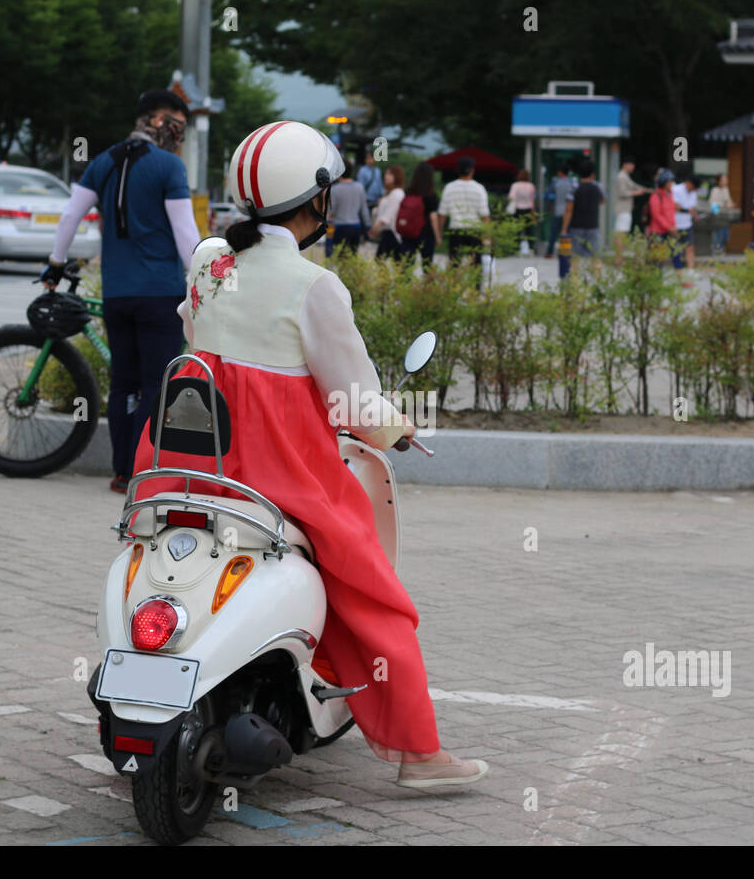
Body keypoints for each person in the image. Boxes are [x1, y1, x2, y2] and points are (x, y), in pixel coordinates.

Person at [131, 120, 489, 788]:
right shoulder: (313, 285)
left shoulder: (209, 260)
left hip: (185, 462)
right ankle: (419, 754)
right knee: (377, 599)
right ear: (318, 199)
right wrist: (395, 431)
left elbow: (195, 329)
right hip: (279, 473)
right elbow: (353, 400)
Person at [45, 88, 199, 493]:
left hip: (117, 293)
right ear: (159, 121)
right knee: (156, 383)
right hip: (161, 293)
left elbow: (69, 217)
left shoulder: (102, 162)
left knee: (123, 383)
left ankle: (122, 471)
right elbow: (185, 232)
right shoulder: (169, 167)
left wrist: (55, 265)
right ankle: (144, 474)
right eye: (177, 125)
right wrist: (203, 273)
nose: (178, 135)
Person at [435, 155, 491, 267]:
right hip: (474, 230)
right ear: (472, 170)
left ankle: (455, 283)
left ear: (457, 170)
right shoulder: (479, 188)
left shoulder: (449, 187)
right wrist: (488, 236)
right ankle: (475, 284)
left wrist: (439, 232)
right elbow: (484, 215)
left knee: (454, 263)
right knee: (476, 263)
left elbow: (442, 214)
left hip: (455, 230)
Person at [396, 161, 440, 265]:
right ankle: (427, 282)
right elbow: (433, 217)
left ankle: (404, 282)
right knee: (427, 267)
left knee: (406, 266)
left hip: (409, 233)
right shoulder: (431, 195)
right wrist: (438, 236)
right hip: (426, 234)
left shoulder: (408, 192)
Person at [560, 158, 604, 257]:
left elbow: (568, 210)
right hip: (593, 225)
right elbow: (603, 200)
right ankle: (596, 273)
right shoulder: (598, 186)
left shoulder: (574, 187)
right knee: (595, 257)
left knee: (575, 257)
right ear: (593, 174)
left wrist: (564, 229)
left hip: (576, 226)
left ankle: (575, 273)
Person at [324, 162, 369, 257]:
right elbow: (364, 211)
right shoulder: (360, 187)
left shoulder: (334, 189)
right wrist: (368, 227)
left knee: (337, 257)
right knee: (351, 258)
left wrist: (328, 237)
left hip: (339, 228)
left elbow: (330, 214)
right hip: (356, 228)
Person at [369, 165, 406, 260]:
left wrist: (376, 226)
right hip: (387, 232)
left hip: (392, 233)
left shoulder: (397, 193)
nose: (386, 176)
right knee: (392, 263)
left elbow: (389, 214)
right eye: (386, 173)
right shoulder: (388, 193)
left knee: (380, 261)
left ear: (397, 177)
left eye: (390, 174)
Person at [613, 158, 651, 252]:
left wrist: (646, 190)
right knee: (621, 234)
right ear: (625, 164)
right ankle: (619, 258)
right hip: (623, 209)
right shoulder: (621, 176)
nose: (632, 167)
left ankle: (619, 257)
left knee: (622, 233)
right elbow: (622, 193)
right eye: (631, 164)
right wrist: (637, 192)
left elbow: (634, 185)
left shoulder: (625, 176)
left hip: (625, 209)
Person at [544, 163, 575, 258]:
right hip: (569, 212)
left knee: (553, 233)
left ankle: (549, 253)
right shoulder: (572, 183)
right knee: (568, 233)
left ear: (560, 173)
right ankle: (566, 252)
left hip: (557, 210)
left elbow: (548, 195)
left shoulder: (555, 182)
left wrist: (549, 207)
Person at [671, 174, 698, 275]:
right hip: (675, 224)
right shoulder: (676, 189)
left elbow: (693, 207)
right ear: (689, 183)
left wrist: (695, 215)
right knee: (675, 249)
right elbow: (675, 206)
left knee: (690, 248)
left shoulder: (693, 192)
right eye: (693, 187)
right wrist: (687, 210)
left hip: (688, 224)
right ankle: (677, 270)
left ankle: (691, 271)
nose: (694, 190)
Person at [648, 170, 678, 256]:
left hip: (670, 230)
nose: (672, 184)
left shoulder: (670, 194)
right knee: (656, 257)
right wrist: (669, 227)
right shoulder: (656, 196)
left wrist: (674, 226)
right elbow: (656, 215)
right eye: (670, 181)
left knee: (675, 254)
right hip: (658, 231)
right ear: (665, 182)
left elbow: (671, 213)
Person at [506, 168, 537, 250]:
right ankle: (531, 248)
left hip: (518, 209)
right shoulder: (531, 186)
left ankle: (516, 248)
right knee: (529, 230)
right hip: (528, 209)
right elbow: (532, 200)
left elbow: (511, 197)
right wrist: (533, 213)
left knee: (517, 230)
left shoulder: (515, 185)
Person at [708, 173, 735, 255]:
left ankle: (721, 250)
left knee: (725, 236)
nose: (726, 181)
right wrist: (724, 205)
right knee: (718, 235)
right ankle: (716, 251)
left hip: (725, 217)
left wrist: (730, 204)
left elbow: (729, 201)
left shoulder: (726, 189)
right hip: (717, 218)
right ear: (719, 181)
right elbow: (712, 204)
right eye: (724, 179)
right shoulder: (715, 190)